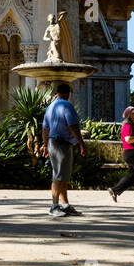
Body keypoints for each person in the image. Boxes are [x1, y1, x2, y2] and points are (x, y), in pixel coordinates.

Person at [40, 82, 86, 216]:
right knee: (59, 176)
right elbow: (73, 126)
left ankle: (65, 205)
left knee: (63, 175)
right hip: (62, 143)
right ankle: (54, 206)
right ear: (68, 94)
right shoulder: (67, 105)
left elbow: (45, 128)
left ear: (57, 93)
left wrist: (45, 145)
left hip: (53, 142)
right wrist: (81, 143)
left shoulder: (50, 107)